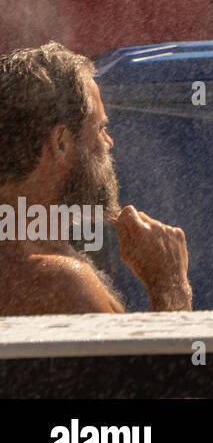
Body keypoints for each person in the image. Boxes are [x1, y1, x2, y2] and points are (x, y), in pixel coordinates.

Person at [0, 43, 192, 316]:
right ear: (61, 142)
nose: (108, 142)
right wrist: (170, 287)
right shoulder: (60, 282)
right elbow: (165, 361)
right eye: (100, 128)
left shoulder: (28, 250)